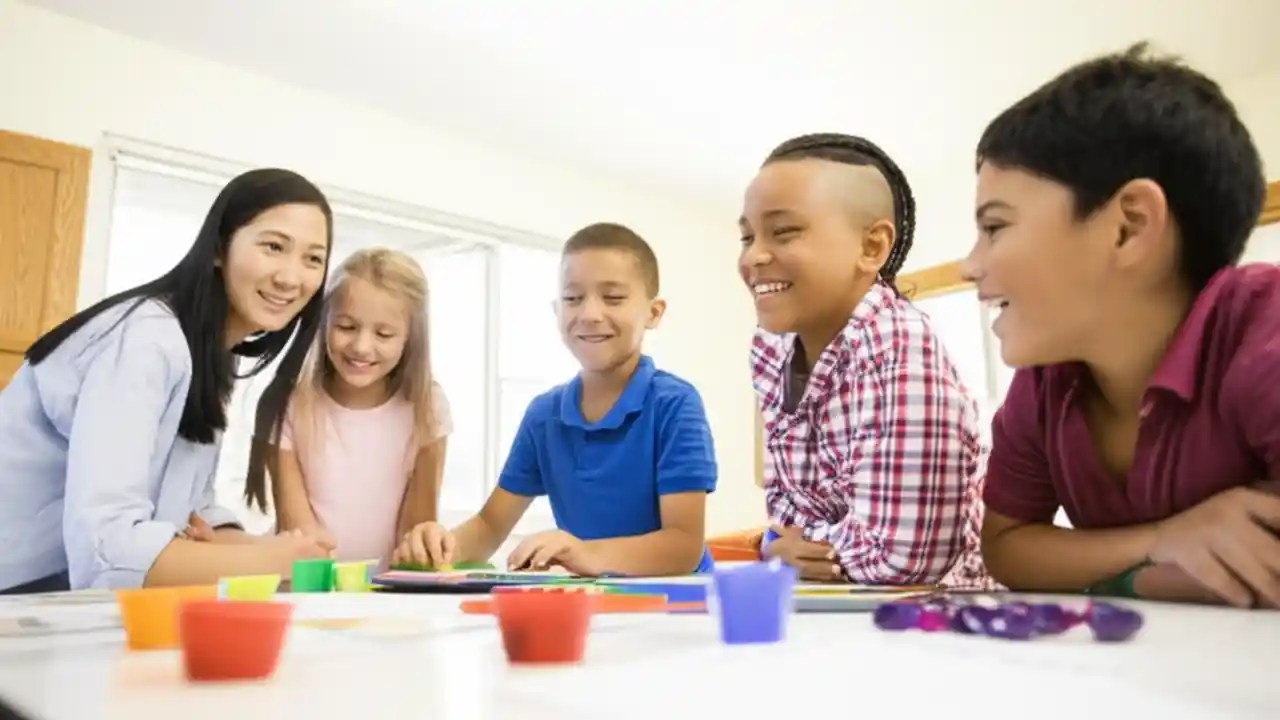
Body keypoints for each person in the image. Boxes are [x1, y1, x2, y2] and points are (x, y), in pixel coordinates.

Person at [967, 43, 1280, 608]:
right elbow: (1008, 546)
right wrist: (1163, 543)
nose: (971, 265)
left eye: (995, 227)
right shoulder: (1044, 382)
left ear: (1129, 227)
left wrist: (1120, 570)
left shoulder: (1263, 329)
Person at [0, 168, 334, 593]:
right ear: (218, 248)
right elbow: (107, 551)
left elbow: (192, 511)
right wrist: (274, 559)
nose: (291, 277)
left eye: (313, 258)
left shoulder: (212, 355)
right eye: (273, 246)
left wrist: (286, 550)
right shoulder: (148, 339)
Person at [393, 223, 718, 575]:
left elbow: (682, 546)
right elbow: (488, 527)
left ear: (653, 313)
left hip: (681, 606)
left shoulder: (675, 404)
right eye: (573, 298)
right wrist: (437, 547)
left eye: (613, 298)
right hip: (595, 607)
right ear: (556, 310)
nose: (590, 314)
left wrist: (583, 552)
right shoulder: (544, 416)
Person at [740, 133, 989, 587]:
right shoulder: (771, 352)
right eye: (747, 235)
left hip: (940, 617)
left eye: (783, 232)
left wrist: (781, 548)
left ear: (872, 247)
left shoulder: (902, 349)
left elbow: (903, 559)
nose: (753, 255)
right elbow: (783, 524)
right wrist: (774, 545)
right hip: (834, 613)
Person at [255, 248, 451, 565]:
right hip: (307, 586)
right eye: (346, 327)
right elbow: (299, 538)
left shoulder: (428, 408)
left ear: (409, 340)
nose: (361, 347)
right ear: (324, 323)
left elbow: (415, 538)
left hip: (386, 593)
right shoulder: (288, 404)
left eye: (384, 334)